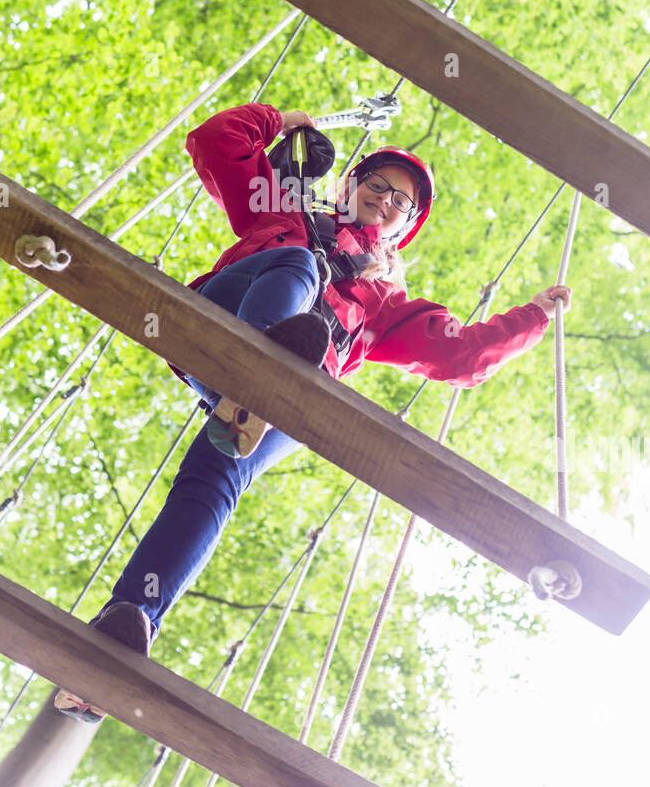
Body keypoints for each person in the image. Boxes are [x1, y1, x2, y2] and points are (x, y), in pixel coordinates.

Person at [55, 101, 571, 723]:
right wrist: (285, 121)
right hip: (218, 328)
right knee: (298, 262)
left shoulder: (383, 304)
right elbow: (217, 140)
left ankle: (132, 614)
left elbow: (458, 354)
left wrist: (534, 315)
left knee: (218, 477)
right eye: (377, 185)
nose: (385, 201)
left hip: (281, 402)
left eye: (401, 203)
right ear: (350, 184)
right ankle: (265, 359)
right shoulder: (285, 210)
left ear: (404, 226)